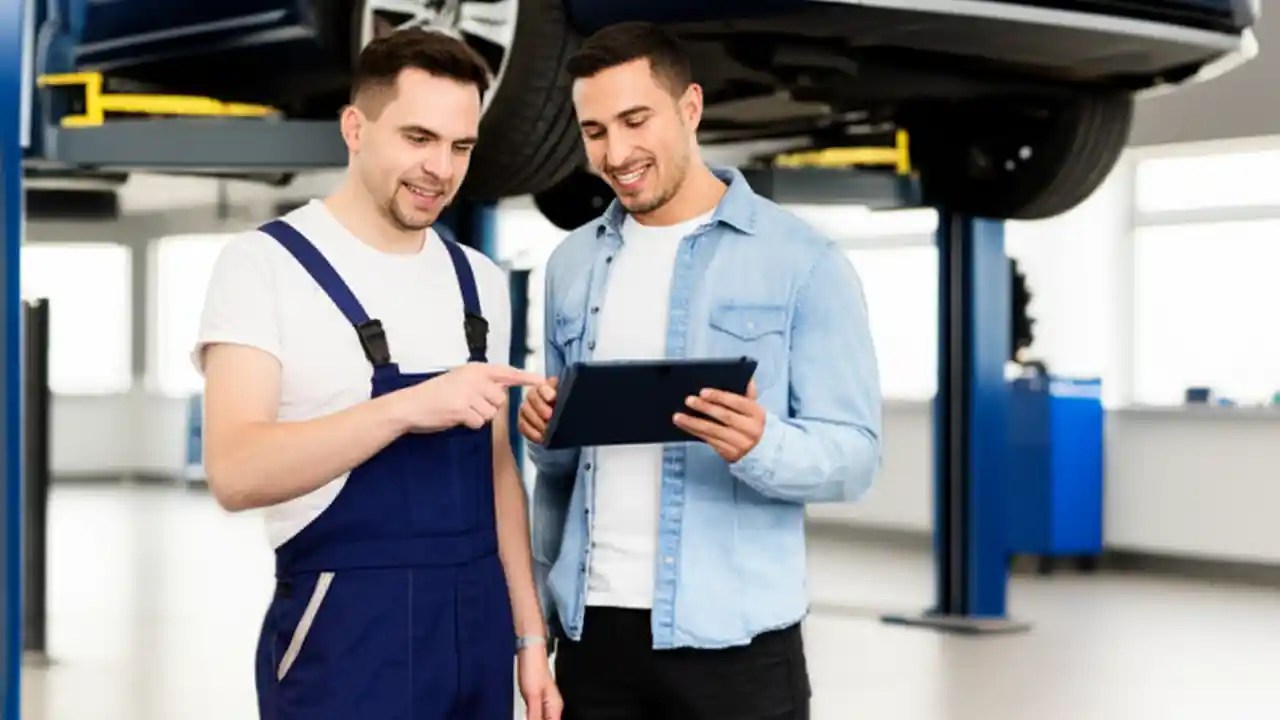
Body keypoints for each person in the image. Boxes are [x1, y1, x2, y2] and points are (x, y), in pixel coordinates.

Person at [517, 21, 883, 720]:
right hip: (593, 640)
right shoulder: (571, 266)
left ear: (689, 108)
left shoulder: (803, 262)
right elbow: (559, 478)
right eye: (594, 131)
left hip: (737, 655)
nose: (615, 153)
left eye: (634, 120)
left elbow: (856, 458)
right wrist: (544, 433)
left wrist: (760, 444)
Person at [194, 28, 562, 720]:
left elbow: (498, 474)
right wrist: (405, 409)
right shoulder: (264, 267)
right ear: (355, 128)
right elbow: (235, 472)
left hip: (478, 634)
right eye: (418, 138)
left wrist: (529, 635)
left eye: (461, 147)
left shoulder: (477, 281)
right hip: (348, 637)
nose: (441, 169)